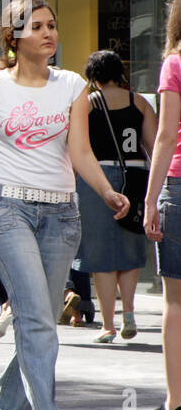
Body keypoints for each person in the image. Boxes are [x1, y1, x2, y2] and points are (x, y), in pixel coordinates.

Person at [0, 0, 129, 410]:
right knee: (33, 314)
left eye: (52, 25)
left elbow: (80, 152)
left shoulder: (71, 85)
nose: (49, 33)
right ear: (14, 37)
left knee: (42, 317)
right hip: (4, 210)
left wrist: (106, 191)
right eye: (37, 26)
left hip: (61, 212)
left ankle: (10, 396)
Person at [75, 50, 156, 343]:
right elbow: (154, 144)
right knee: (130, 246)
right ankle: (130, 313)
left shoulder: (88, 104)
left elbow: (76, 145)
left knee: (101, 256)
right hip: (135, 177)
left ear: (93, 78)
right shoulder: (140, 103)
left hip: (98, 180)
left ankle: (108, 325)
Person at [143, 0, 181, 410]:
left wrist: (150, 199)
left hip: (180, 186)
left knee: (175, 303)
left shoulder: (174, 64)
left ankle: (175, 403)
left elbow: (167, 136)